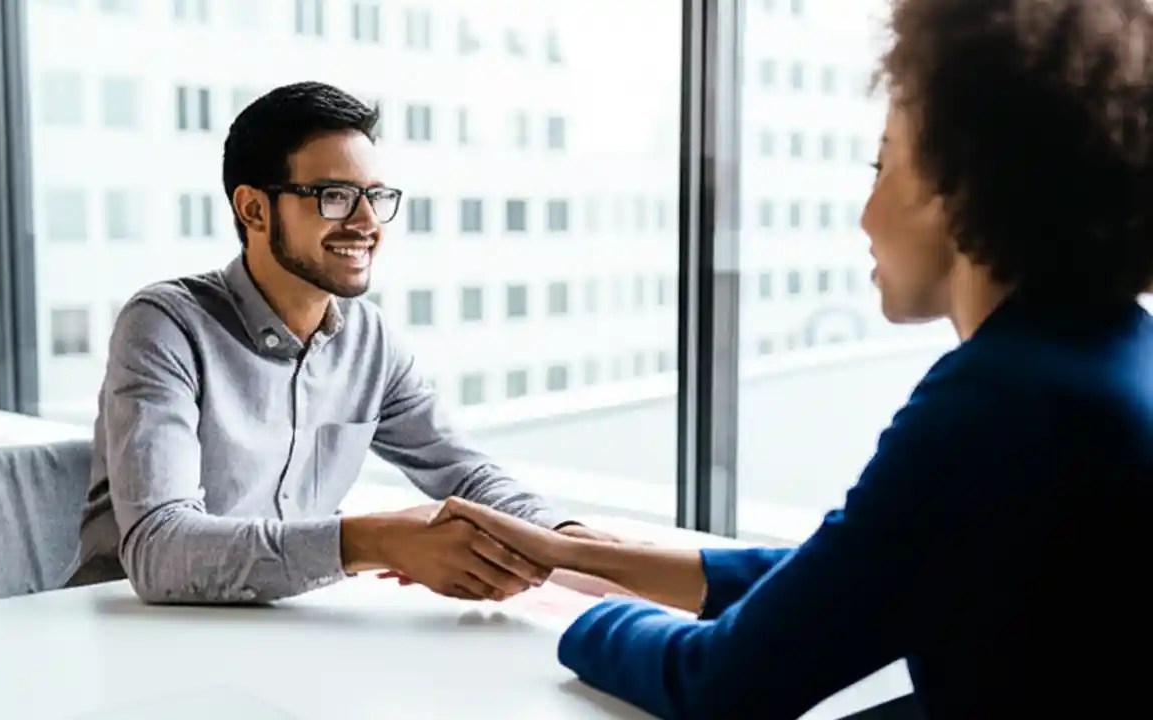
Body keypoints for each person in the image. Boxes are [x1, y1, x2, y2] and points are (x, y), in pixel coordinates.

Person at [431, 0, 1153, 717]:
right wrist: (582, 555)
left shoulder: (1000, 401)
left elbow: (718, 682)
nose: (864, 214)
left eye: (881, 165)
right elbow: (860, 575)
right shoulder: (1110, 360)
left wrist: (569, 620)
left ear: (951, 179)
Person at [63, 82, 617, 604]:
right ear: (254, 208)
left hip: (280, 631)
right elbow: (161, 551)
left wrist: (575, 544)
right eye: (334, 196)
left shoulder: (369, 339)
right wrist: (372, 542)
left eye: (376, 198)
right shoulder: (165, 325)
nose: (367, 222)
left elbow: (465, 475)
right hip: (131, 640)